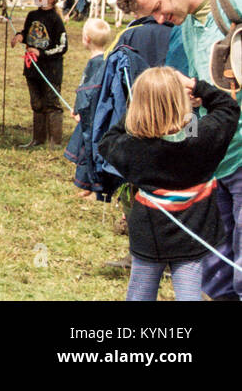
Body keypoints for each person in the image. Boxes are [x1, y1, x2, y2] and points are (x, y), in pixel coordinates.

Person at [117, 0, 242, 298]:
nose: (160, 19)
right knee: (215, 275)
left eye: (157, 6)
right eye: (151, 16)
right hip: (215, 166)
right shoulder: (185, 30)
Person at [97, 67, 240, 301]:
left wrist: (141, 111)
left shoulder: (132, 149)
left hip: (148, 235)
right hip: (194, 233)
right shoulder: (202, 137)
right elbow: (228, 108)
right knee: (189, 294)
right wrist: (196, 86)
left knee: (140, 293)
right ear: (181, 103)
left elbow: (108, 140)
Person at [11, 0, 68, 148]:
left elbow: (63, 46)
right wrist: (20, 37)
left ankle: (55, 142)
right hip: (32, 69)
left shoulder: (56, 20)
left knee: (52, 104)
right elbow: (28, 33)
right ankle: (37, 139)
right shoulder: (32, 16)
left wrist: (41, 53)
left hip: (51, 70)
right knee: (36, 104)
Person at [66, 17, 113, 198]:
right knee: (85, 151)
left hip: (91, 118)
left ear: (86, 39)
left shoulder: (97, 64)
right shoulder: (101, 61)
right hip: (91, 115)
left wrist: (79, 110)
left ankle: (95, 188)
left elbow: (88, 92)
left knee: (90, 151)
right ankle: (86, 185)